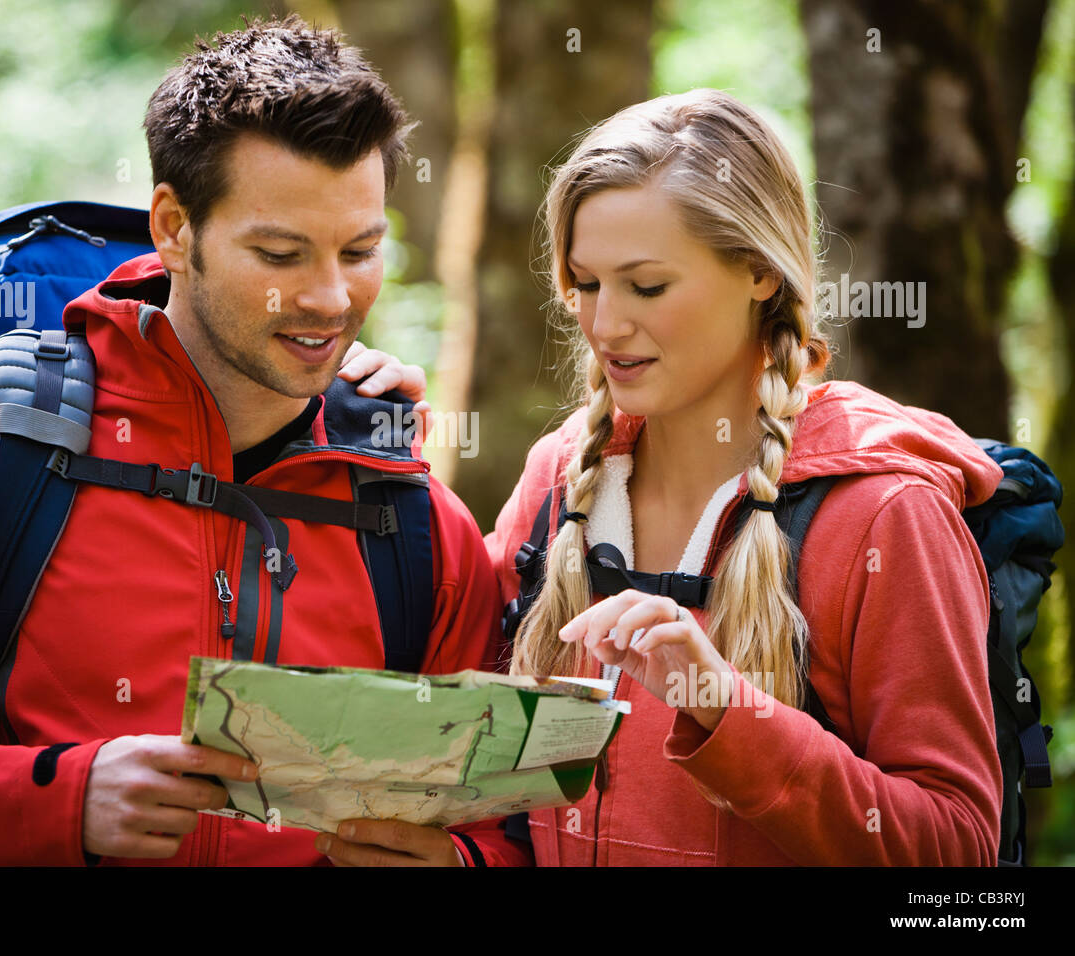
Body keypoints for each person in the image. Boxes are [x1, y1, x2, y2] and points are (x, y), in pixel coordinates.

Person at [0, 15, 530, 868]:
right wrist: (59, 802)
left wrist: (461, 865)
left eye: (359, 250)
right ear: (174, 228)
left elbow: (503, 825)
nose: (329, 297)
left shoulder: (418, 523)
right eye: (280, 254)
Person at [357, 88, 1005, 865]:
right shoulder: (561, 479)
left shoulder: (885, 515)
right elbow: (482, 769)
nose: (605, 325)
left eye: (648, 286)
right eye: (587, 284)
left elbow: (957, 851)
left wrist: (729, 710)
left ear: (761, 273)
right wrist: (365, 451)